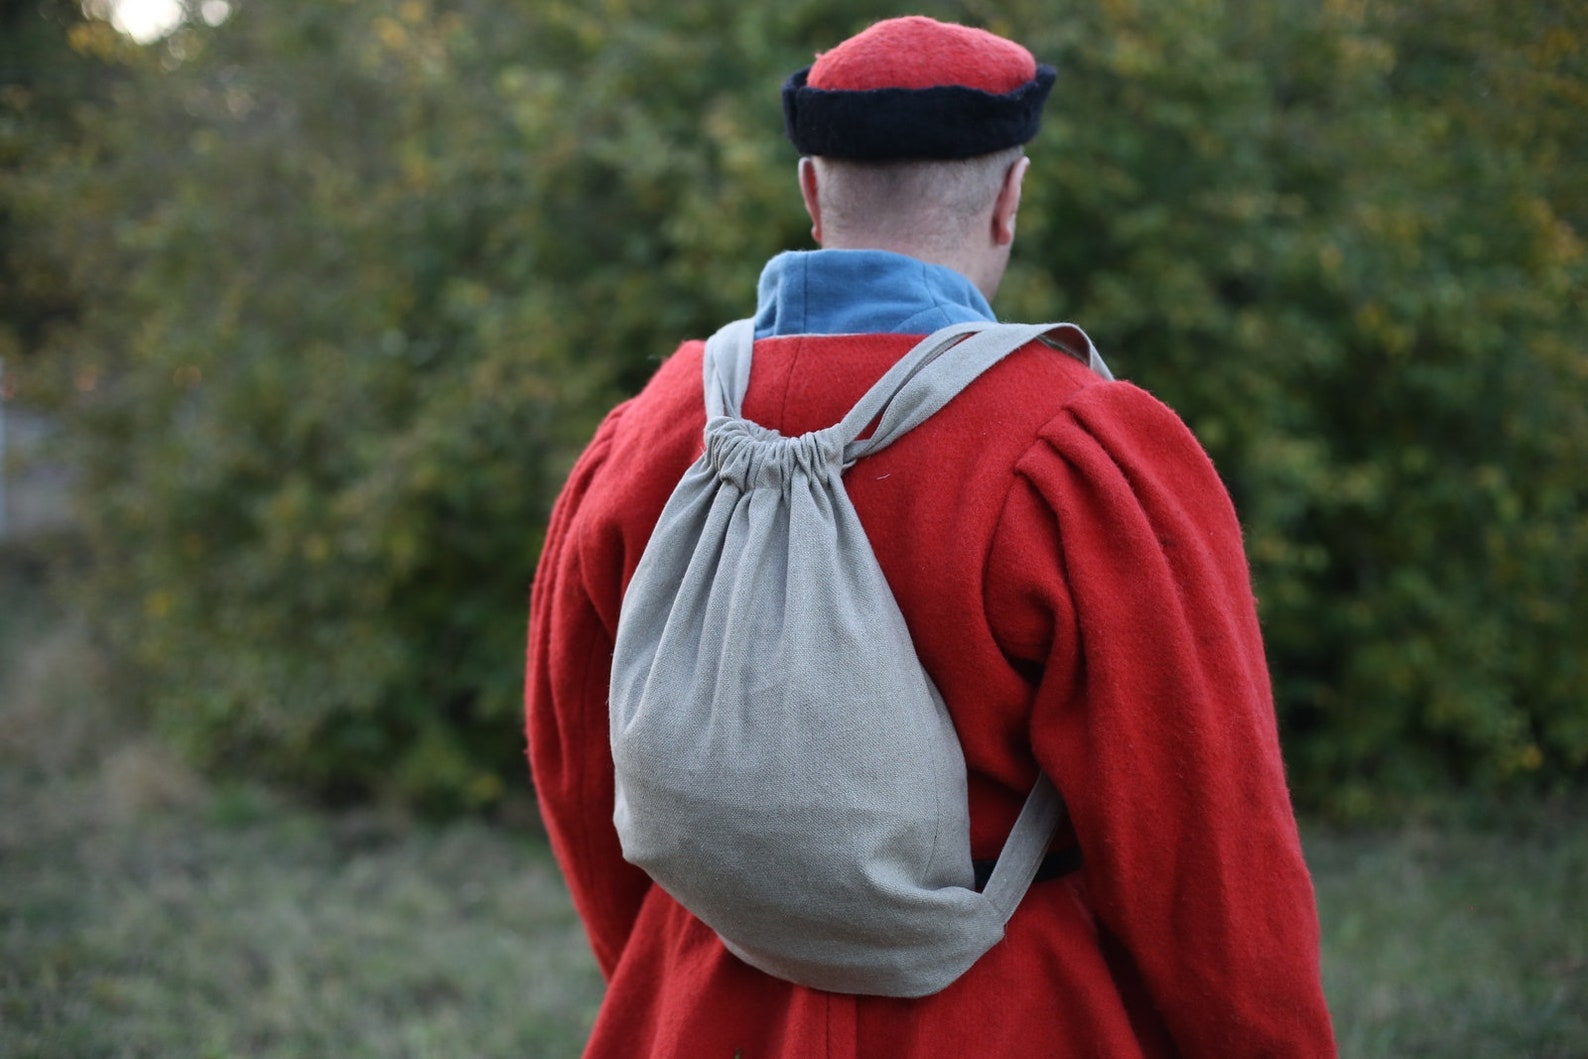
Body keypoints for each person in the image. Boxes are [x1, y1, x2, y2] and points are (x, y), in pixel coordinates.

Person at [525, 15, 1336, 1058]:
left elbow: (580, 771)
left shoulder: (652, 431)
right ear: (1010, 199)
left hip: (696, 1009)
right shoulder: (1078, 451)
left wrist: (673, 965)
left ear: (812, 193)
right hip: (1007, 1017)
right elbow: (1205, 858)